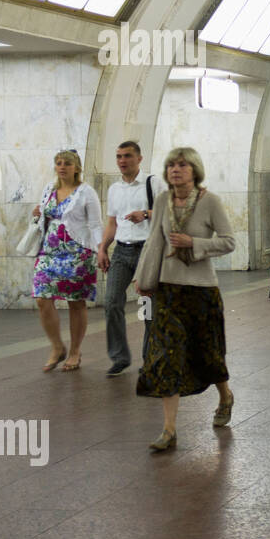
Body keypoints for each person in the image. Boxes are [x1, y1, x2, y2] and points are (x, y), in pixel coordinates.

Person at [134, 147, 236, 452]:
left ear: (195, 170)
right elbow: (155, 240)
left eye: (182, 165)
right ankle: (168, 430)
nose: (175, 170)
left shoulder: (210, 202)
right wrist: (144, 278)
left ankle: (225, 396)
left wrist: (195, 243)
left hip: (201, 291)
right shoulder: (163, 201)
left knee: (209, 355)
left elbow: (229, 241)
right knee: (167, 356)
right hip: (168, 290)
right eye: (171, 166)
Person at [31, 149, 102, 372]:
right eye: (59, 163)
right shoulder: (49, 189)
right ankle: (57, 346)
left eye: (67, 164)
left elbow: (95, 224)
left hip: (77, 253)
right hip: (49, 252)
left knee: (76, 302)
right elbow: (43, 216)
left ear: (76, 168)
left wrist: (100, 250)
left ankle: (75, 351)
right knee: (42, 298)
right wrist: (37, 213)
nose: (62, 167)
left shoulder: (86, 192)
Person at [97, 141, 162, 377]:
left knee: (148, 307)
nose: (122, 161)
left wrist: (144, 214)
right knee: (112, 301)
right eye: (118, 156)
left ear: (139, 158)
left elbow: (168, 212)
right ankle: (119, 357)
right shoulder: (114, 189)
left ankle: (151, 358)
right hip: (121, 251)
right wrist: (103, 248)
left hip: (147, 250)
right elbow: (112, 223)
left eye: (127, 156)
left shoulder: (152, 183)